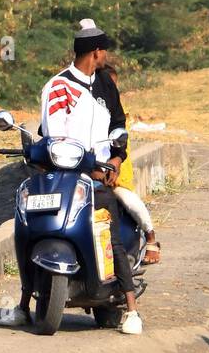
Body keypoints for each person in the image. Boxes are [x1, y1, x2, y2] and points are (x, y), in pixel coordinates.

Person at [38, 19, 143, 335]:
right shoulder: (59, 88)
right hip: (66, 177)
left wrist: (116, 157)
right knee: (38, 225)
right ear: (96, 52)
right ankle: (24, 299)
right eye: (104, 52)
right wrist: (87, 166)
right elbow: (53, 137)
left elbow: (117, 125)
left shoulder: (105, 84)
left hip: (100, 179)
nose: (106, 57)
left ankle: (131, 309)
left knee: (110, 238)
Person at [104, 63, 161, 265]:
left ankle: (151, 236)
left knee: (128, 201)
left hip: (116, 176)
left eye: (113, 86)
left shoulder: (118, 113)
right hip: (89, 171)